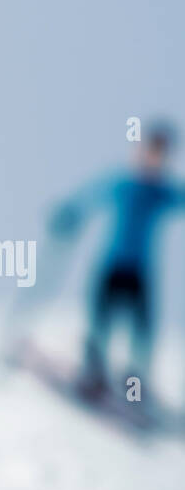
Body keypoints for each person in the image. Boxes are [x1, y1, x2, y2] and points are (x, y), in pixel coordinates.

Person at [50, 122, 185, 399]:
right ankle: (93, 371)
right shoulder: (122, 183)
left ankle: (135, 383)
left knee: (142, 328)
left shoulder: (162, 193)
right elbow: (88, 196)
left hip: (139, 272)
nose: (154, 157)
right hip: (112, 266)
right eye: (151, 149)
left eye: (161, 152)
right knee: (102, 320)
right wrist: (69, 213)